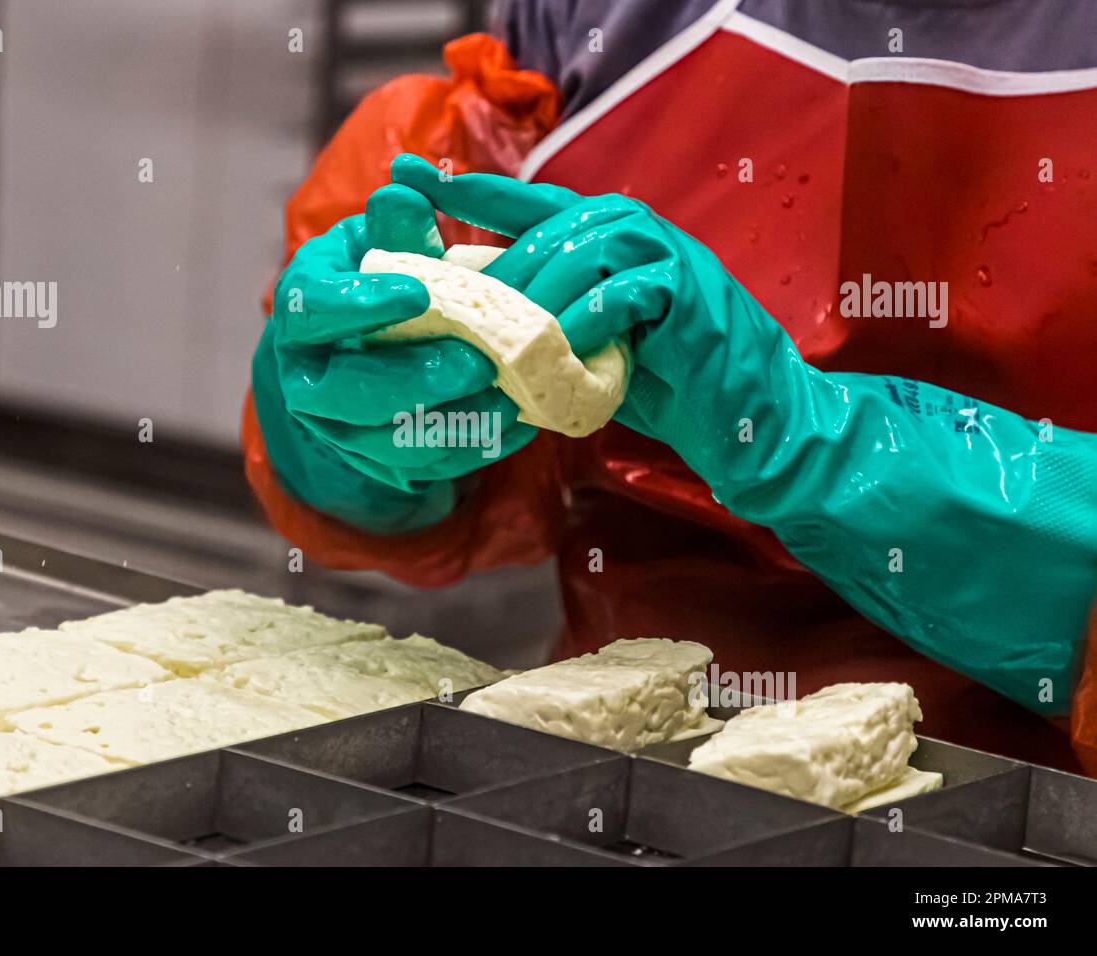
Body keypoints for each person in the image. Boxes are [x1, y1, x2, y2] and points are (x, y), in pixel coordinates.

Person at [244, 0, 1097, 773]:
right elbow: (494, 451)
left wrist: (814, 440)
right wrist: (350, 422)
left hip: (1025, 819)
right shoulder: (596, 23)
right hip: (623, 768)